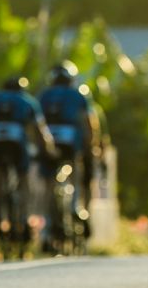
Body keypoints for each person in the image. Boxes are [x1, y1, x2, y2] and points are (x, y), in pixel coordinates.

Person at [0, 72, 53, 247]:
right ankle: (24, 216)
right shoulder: (27, 100)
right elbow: (40, 129)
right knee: (23, 175)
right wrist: (47, 149)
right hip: (16, 139)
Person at [38, 60, 104, 246]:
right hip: (70, 139)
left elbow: (37, 124)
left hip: (50, 139)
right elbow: (89, 123)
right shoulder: (78, 95)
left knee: (48, 181)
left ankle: (47, 226)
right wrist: (90, 147)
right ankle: (75, 205)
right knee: (75, 166)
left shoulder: (44, 95)